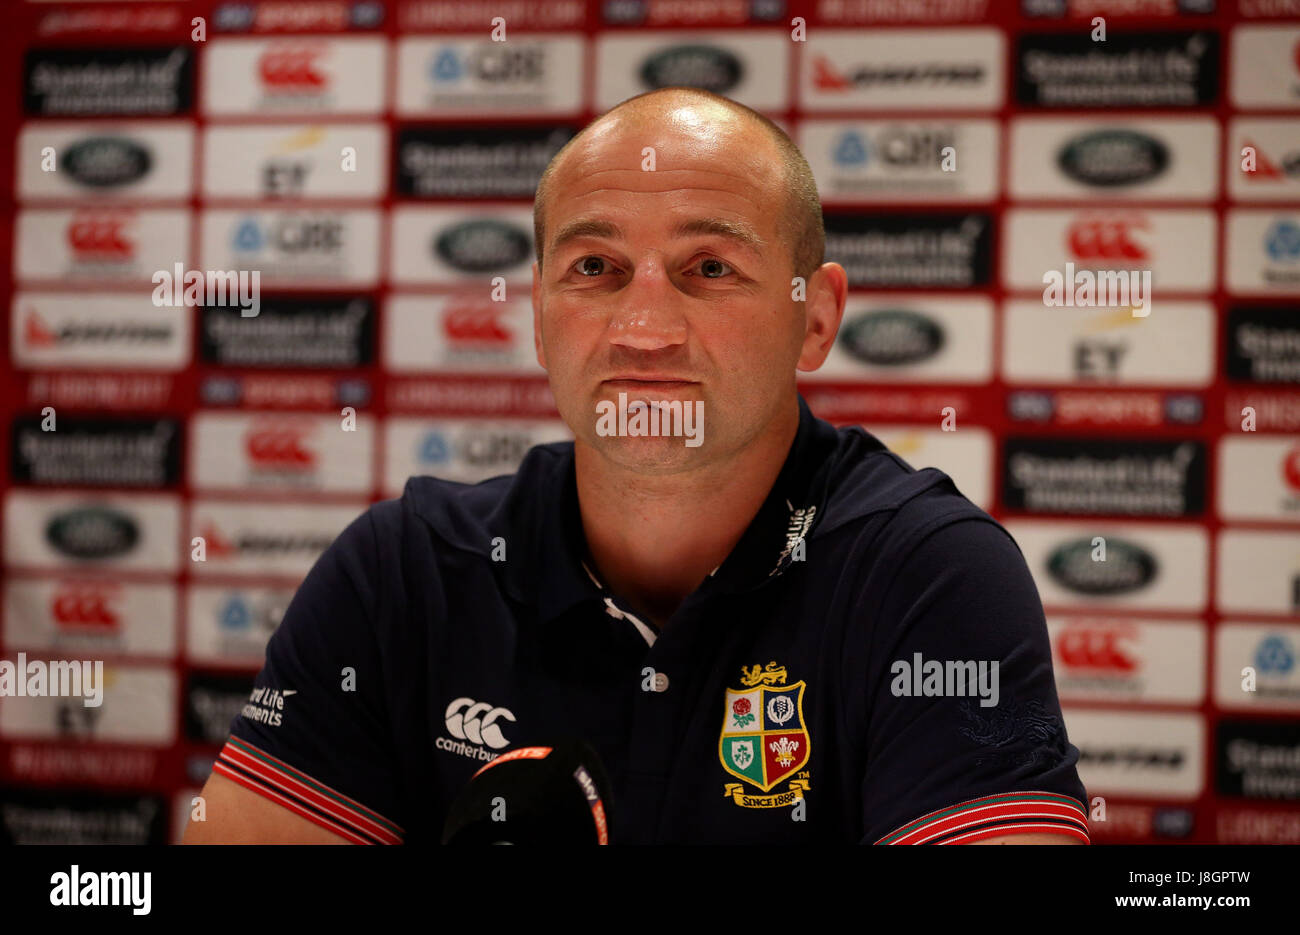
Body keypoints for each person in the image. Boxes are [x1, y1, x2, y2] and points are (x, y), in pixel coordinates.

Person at [183, 87, 1088, 845]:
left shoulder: (929, 575)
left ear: (817, 317)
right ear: (538, 316)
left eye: (709, 267)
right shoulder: (401, 570)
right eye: (595, 266)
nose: (643, 330)